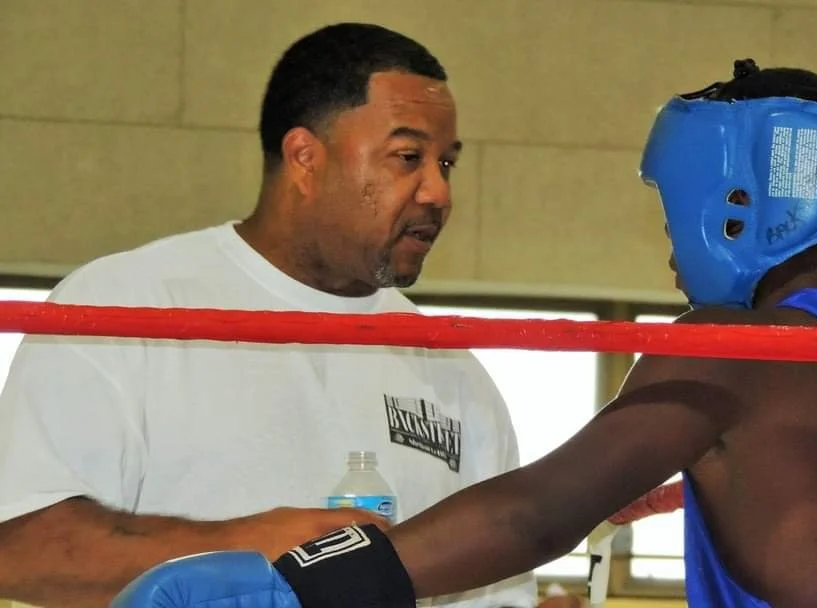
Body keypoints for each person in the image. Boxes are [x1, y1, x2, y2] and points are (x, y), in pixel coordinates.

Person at [110, 60, 817, 608]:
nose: (667, 241)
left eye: (670, 210)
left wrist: (293, 587)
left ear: (739, 203)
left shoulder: (732, 346)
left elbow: (535, 514)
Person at [0, 22, 567, 608]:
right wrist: (256, 551)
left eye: (445, 164)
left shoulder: (454, 373)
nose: (438, 193)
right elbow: (21, 552)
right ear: (304, 157)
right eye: (408, 157)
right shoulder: (125, 305)